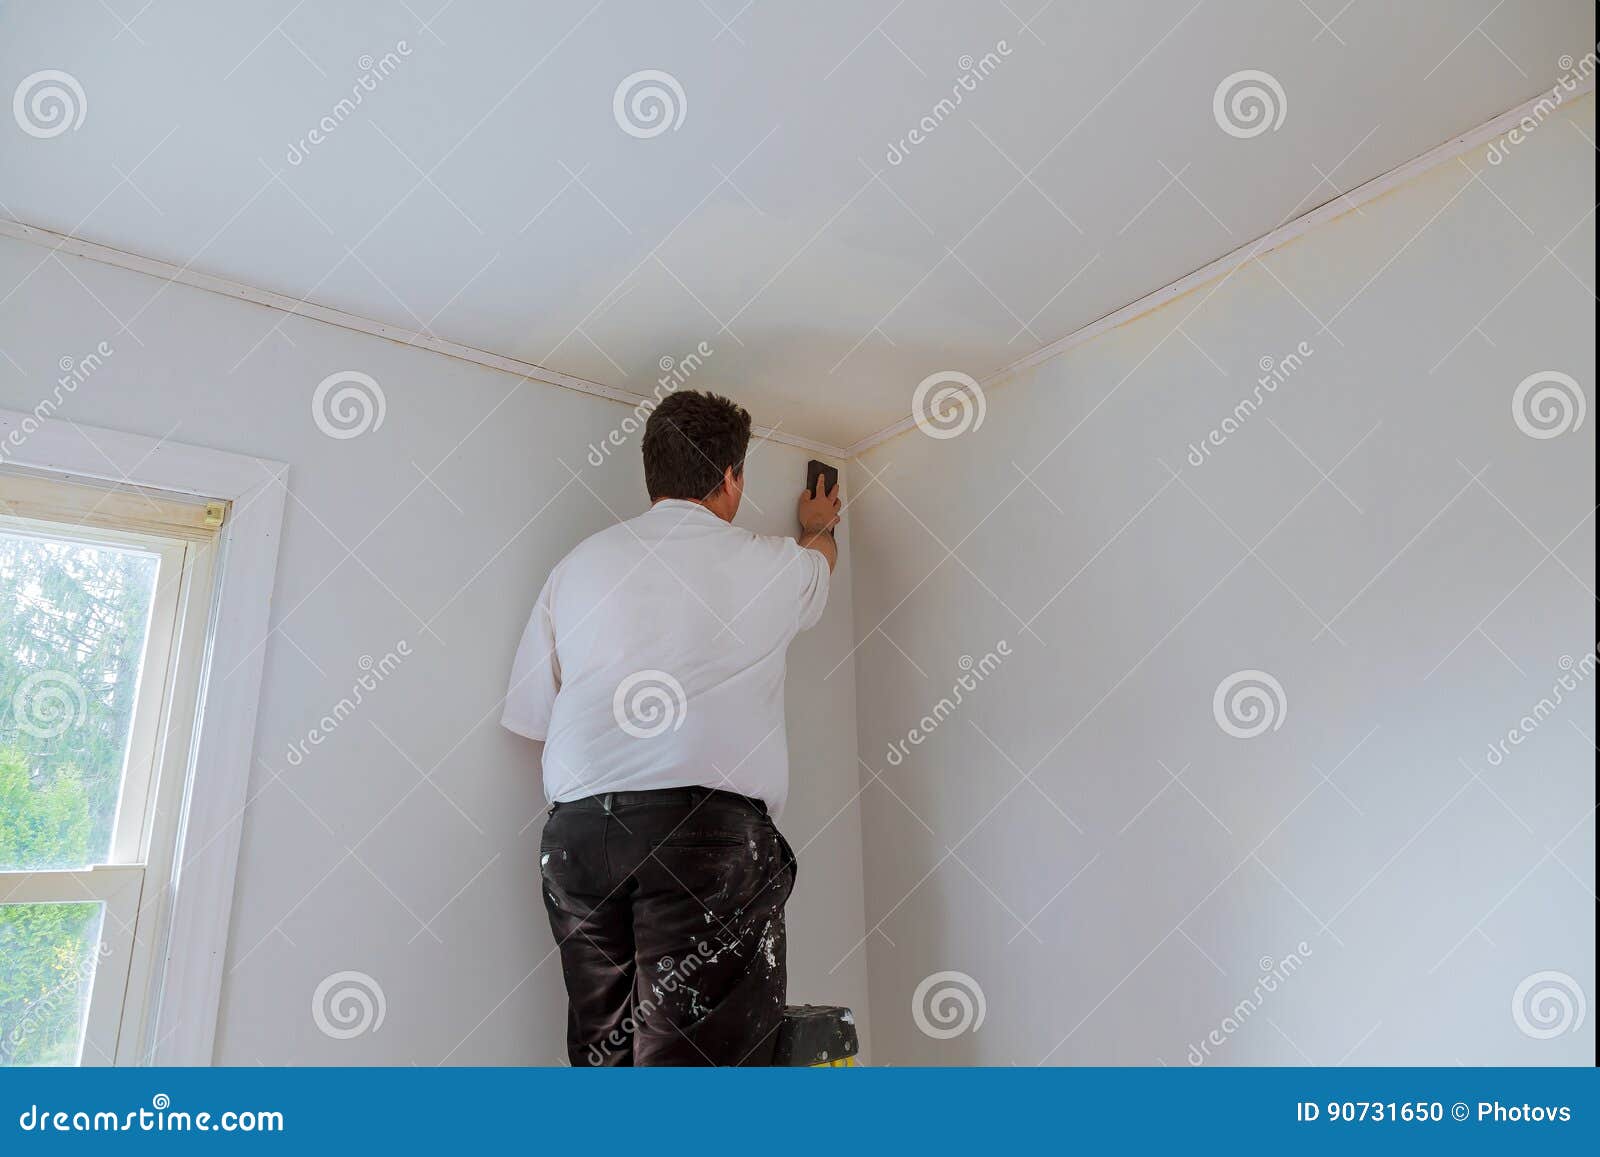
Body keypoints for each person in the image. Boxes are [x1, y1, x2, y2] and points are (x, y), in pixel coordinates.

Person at [502, 389, 841, 1066]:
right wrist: (820, 525)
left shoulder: (577, 567)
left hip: (579, 841)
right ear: (731, 479)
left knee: (606, 1054)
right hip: (704, 842)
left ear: (652, 476)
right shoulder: (772, 562)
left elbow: (532, 718)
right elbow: (821, 564)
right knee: (697, 1063)